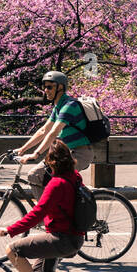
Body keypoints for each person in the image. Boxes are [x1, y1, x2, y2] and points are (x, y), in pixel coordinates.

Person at [0, 138, 84, 272]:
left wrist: (9, 230)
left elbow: (36, 214)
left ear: (51, 162)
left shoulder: (56, 184)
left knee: (13, 250)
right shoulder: (75, 176)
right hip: (72, 237)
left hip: (61, 239)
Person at [14, 70, 93, 202]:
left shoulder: (69, 106)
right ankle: (47, 214)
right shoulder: (58, 106)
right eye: (44, 87)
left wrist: (36, 154)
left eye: (50, 87)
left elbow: (53, 133)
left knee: (52, 182)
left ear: (60, 87)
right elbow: (44, 130)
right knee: (34, 176)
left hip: (79, 153)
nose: (46, 90)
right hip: (66, 154)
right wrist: (22, 149)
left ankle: (55, 215)